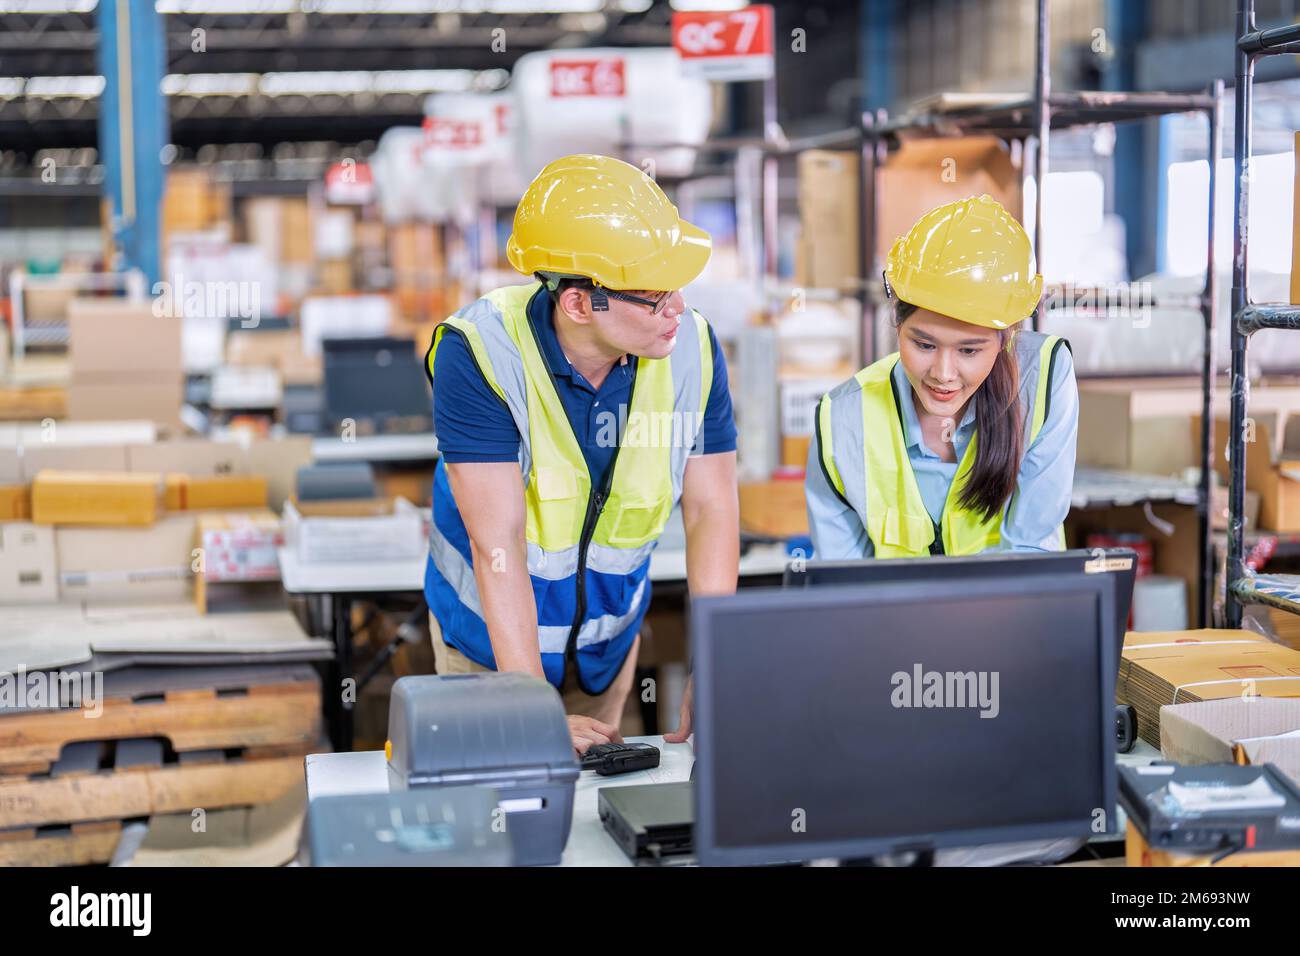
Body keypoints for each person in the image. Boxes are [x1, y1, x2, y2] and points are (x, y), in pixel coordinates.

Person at [424, 154, 739, 753]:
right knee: (510, 825)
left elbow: (711, 510)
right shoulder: (483, 353)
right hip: (492, 655)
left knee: (595, 829)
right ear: (577, 303)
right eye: (652, 295)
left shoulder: (692, 347)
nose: (676, 308)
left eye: (676, 286)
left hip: (606, 651)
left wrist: (717, 660)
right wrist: (527, 704)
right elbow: (499, 544)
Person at [806, 193, 1078, 562]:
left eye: (969, 350)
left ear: (1007, 336)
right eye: (924, 344)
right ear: (898, 323)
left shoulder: (1043, 379)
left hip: (1015, 615)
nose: (944, 375)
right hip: (889, 620)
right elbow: (842, 585)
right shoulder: (843, 419)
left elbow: (1031, 552)